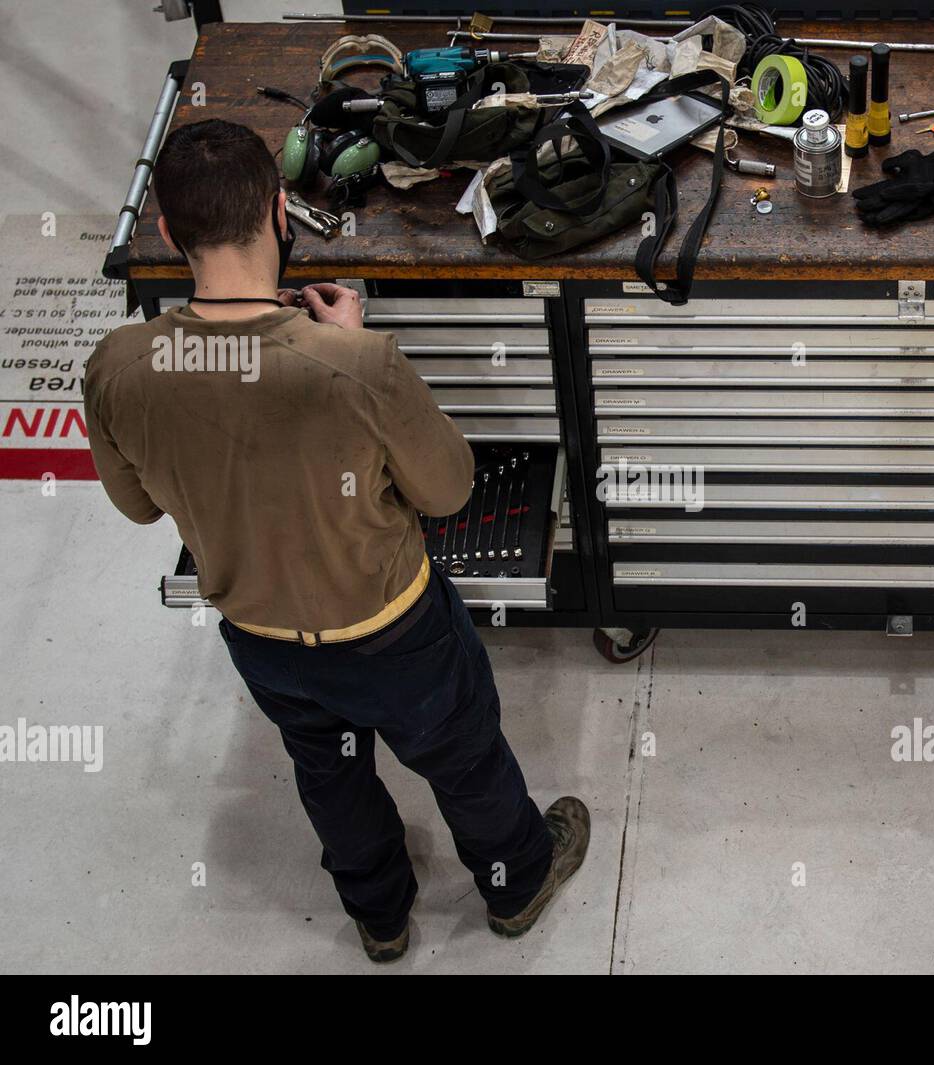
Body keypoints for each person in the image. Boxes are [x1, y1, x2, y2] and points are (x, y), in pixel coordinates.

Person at [85, 118, 588, 962]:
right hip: (395, 630)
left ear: (169, 234)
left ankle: (381, 916)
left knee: (328, 771)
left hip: (264, 640)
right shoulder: (357, 366)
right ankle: (516, 882)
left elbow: (138, 508)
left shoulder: (118, 367)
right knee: (463, 754)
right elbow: (450, 487)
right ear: (282, 213)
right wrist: (348, 348)